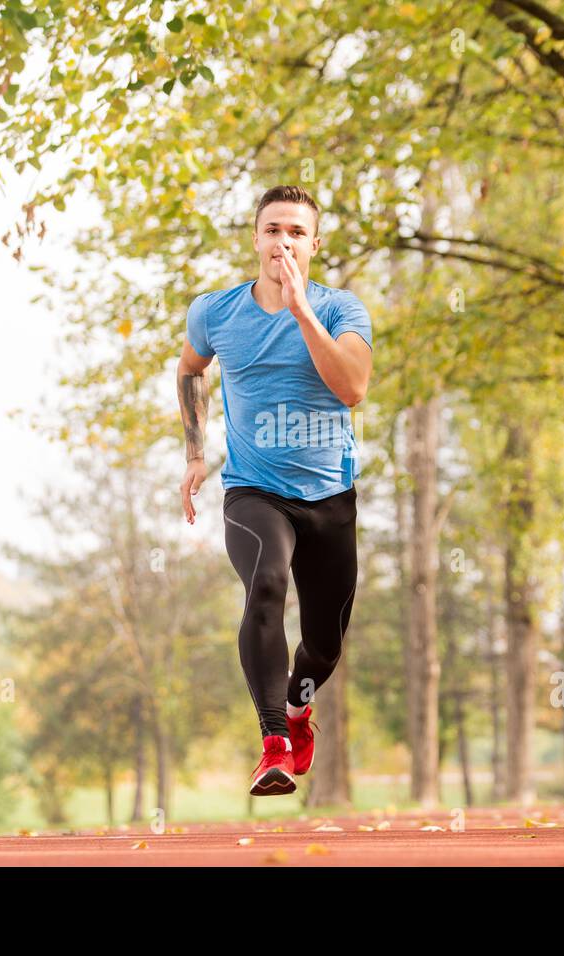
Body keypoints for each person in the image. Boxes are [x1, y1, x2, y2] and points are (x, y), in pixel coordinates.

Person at [175, 184, 374, 796]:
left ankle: (296, 711)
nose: (282, 241)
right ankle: (272, 745)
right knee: (265, 584)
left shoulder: (343, 311)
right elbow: (190, 369)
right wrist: (195, 453)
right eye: (271, 230)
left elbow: (352, 389)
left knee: (323, 644)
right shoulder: (215, 312)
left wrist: (300, 310)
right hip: (254, 492)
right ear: (255, 239)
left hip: (330, 500)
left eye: (295, 232)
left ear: (315, 243)